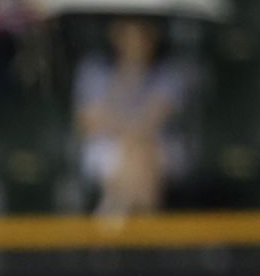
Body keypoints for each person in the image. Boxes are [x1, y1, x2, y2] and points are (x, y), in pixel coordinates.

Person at [75, 16, 189, 217]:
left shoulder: (169, 73)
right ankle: (147, 223)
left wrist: (121, 128)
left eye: (143, 35)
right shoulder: (94, 69)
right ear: (115, 36)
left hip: (157, 147)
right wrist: (125, 76)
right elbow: (89, 121)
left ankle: (113, 214)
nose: (136, 42)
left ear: (154, 37)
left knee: (143, 154)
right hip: (106, 146)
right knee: (135, 156)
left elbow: (151, 121)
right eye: (128, 35)